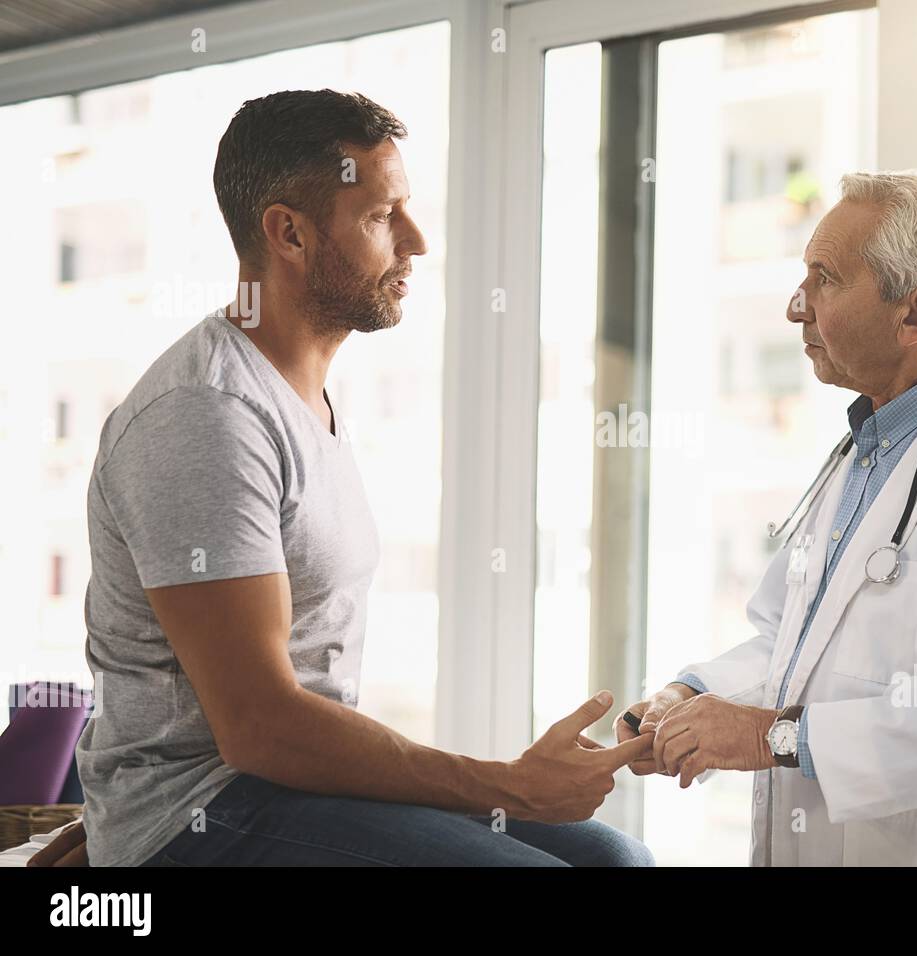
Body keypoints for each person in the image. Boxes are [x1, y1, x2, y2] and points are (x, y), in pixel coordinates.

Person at [76, 89, 654, 867]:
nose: (416, 240)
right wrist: (510, 787)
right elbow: (259, 727)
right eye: (383, 216)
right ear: (289, 233)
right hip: (203, 811)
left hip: (286, 787)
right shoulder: (205, 416)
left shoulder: (296, 396)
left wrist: (504, 789)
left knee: (616, 859)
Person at [616, 170, 917, 866]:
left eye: (825, 279)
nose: (796, 306)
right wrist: (690, 698)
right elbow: (791, 647)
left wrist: (768, 736)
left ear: (915, 314)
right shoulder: (865, 453)